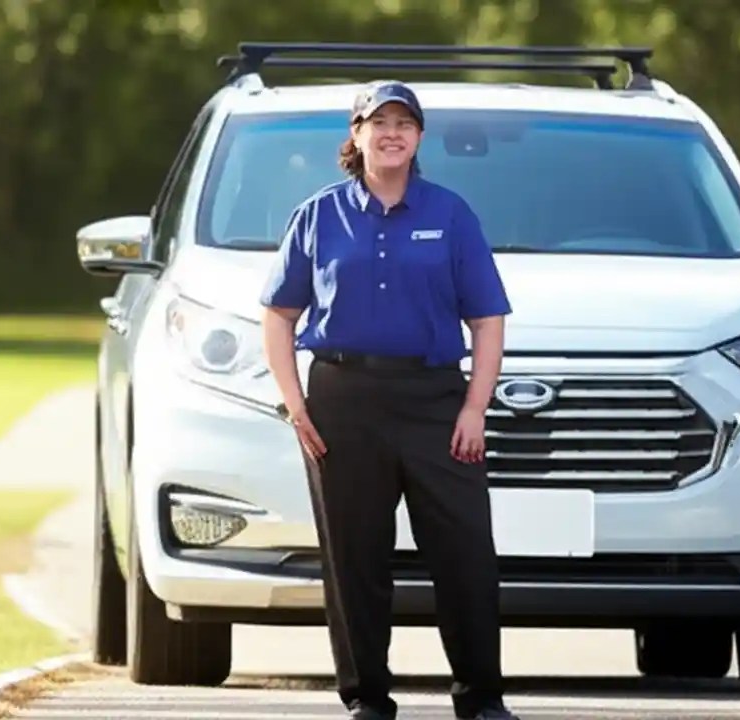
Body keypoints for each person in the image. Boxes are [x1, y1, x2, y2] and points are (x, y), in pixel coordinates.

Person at [258, 80, 519, 720]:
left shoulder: (451, 215)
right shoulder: (318, 216)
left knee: (464, 553)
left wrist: (473, 408)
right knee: (355, 558)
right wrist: (297, 405)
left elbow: (487, 320)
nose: (392, 133)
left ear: (420, 138)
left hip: (434, 400)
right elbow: (278, 316)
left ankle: (481, 695)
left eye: (405, 123)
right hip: (343, 400)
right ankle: (367, 697)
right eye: (380, 123)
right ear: (356, 134)